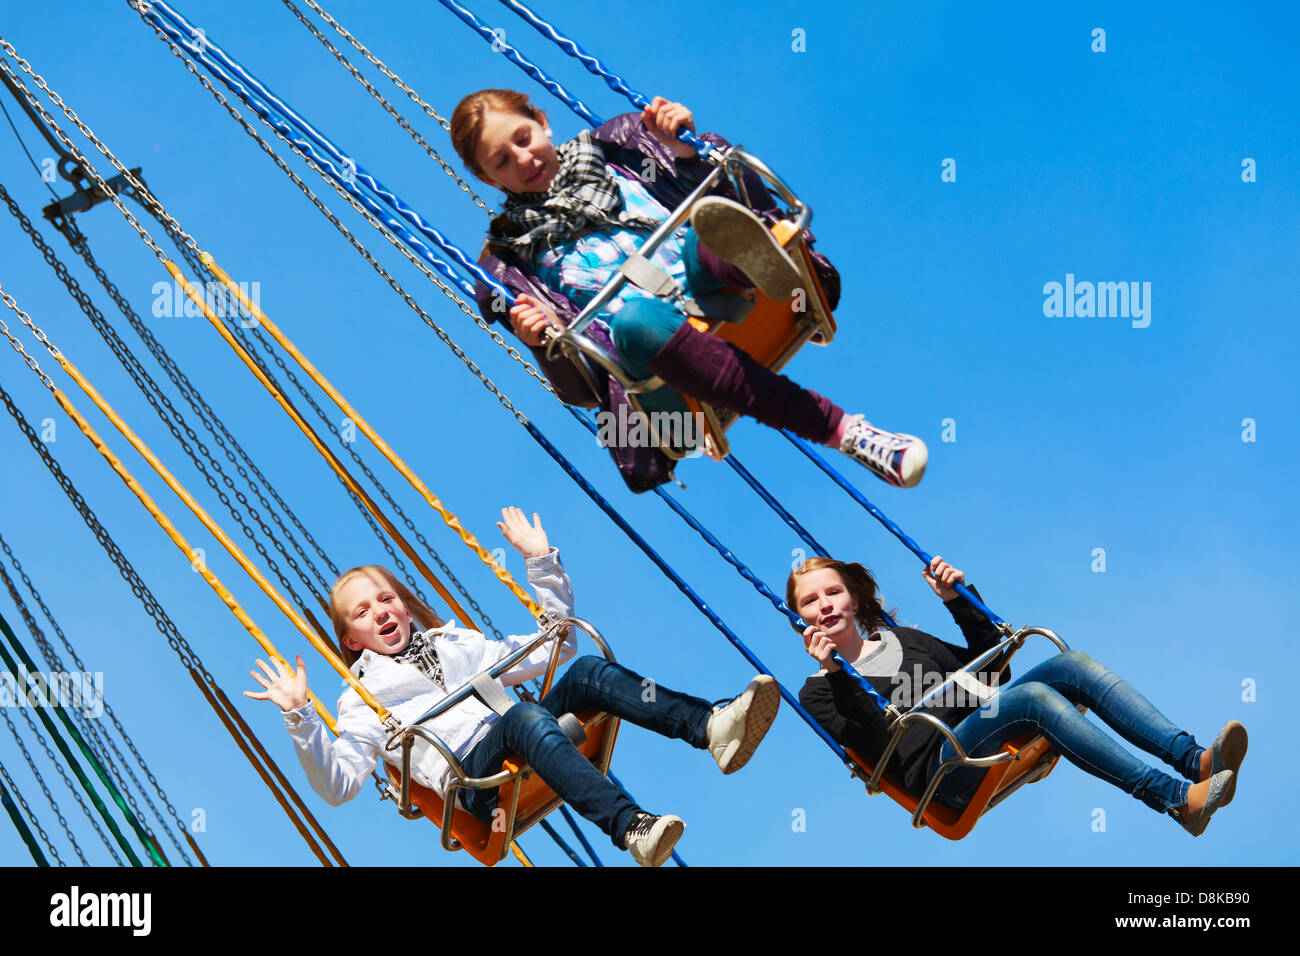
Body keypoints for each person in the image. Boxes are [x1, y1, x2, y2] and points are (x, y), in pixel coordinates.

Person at [450, 90, 927, 493]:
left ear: (542, 121)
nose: (523, 158)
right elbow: (580, 389)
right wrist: (545, 344)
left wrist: (683, 151)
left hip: (704, 283)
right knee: (635, 319)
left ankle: (763, 267)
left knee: (711, 224)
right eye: (502, 161)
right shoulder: (510, 261)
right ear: (488, 179)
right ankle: (844, 432)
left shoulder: (620, 147)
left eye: (523, 137)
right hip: (653, 370)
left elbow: (731, 190)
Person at [246, 507, 780, 866]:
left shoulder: (457, 643)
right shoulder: (359, 699)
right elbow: (338, 787)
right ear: (352, 640)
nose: (381, 612)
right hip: (475, 786)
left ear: (404, 605)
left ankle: (712, 726)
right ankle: (629, 826)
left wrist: (540, 563)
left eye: (386, 599)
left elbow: (556, 647)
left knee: (587, 671)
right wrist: (300, 717)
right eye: (362, 612)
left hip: (520, 739)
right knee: (523, 719)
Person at [789, 555, 1247, 836]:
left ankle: (1195, 760)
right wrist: (839, 674)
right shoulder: (818, 694)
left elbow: (990, 667)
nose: (825, 604)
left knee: (1072, 664)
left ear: (853, 598)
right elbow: (874, 743)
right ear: (800, 621)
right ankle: (1173, 799)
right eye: (810, 601)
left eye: (833, 592)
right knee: (1031, 699)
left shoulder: (903, 639)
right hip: (941, 772)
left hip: (984, 726)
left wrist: (958, 599)